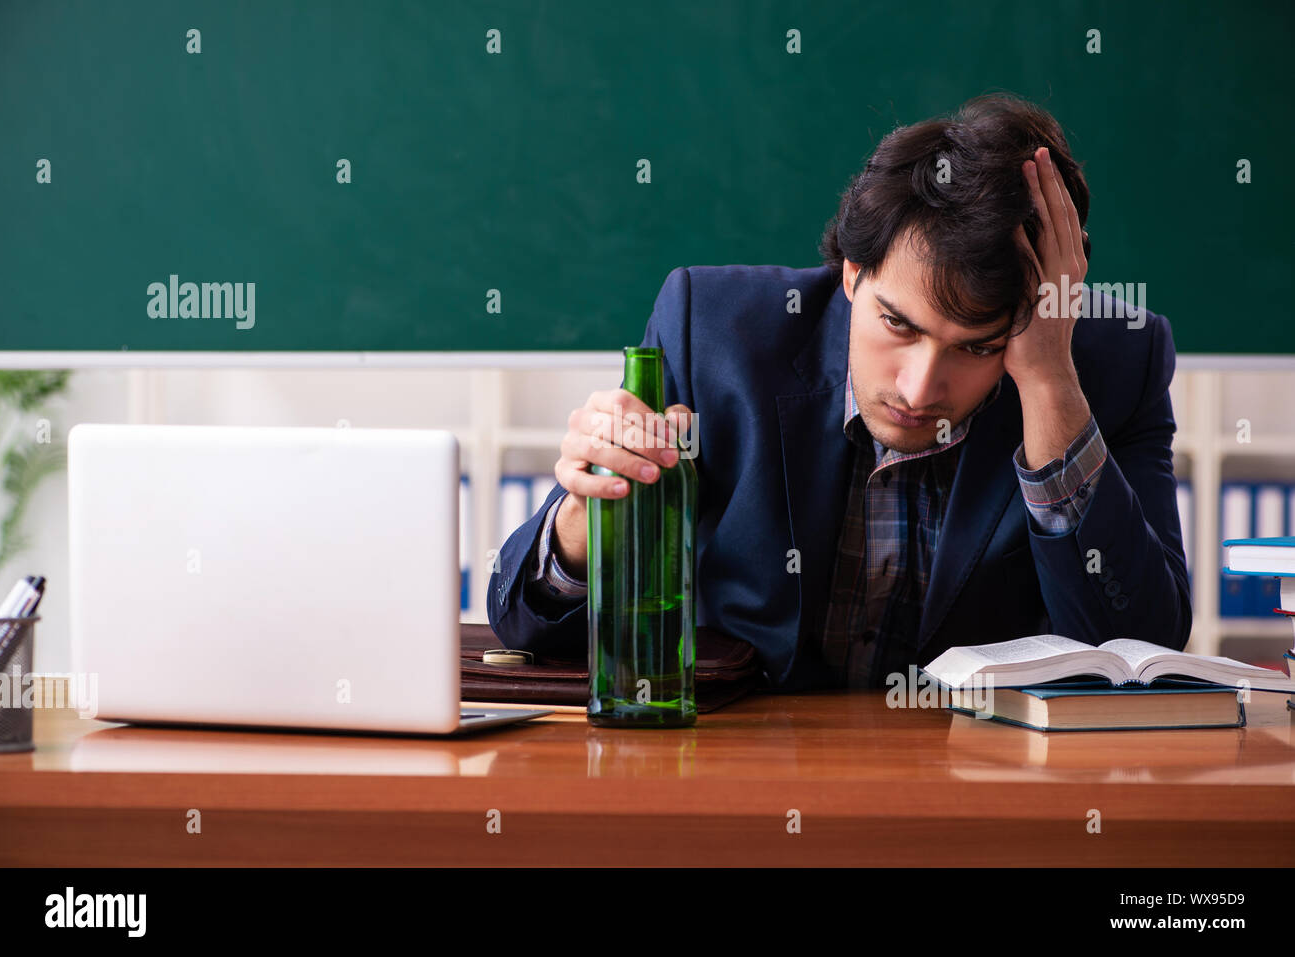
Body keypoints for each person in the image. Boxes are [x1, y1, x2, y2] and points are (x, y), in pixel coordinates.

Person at [486, 93, 1191, 691]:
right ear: (853, 270)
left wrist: (1046, 380)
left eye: (978, 346)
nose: (920, 389)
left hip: (986, 792)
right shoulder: (716, 333)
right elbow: (524, 622)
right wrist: (587, 510)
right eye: (897, 323)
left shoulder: (1111, 365)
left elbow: (1139, 653)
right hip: (748, 779)